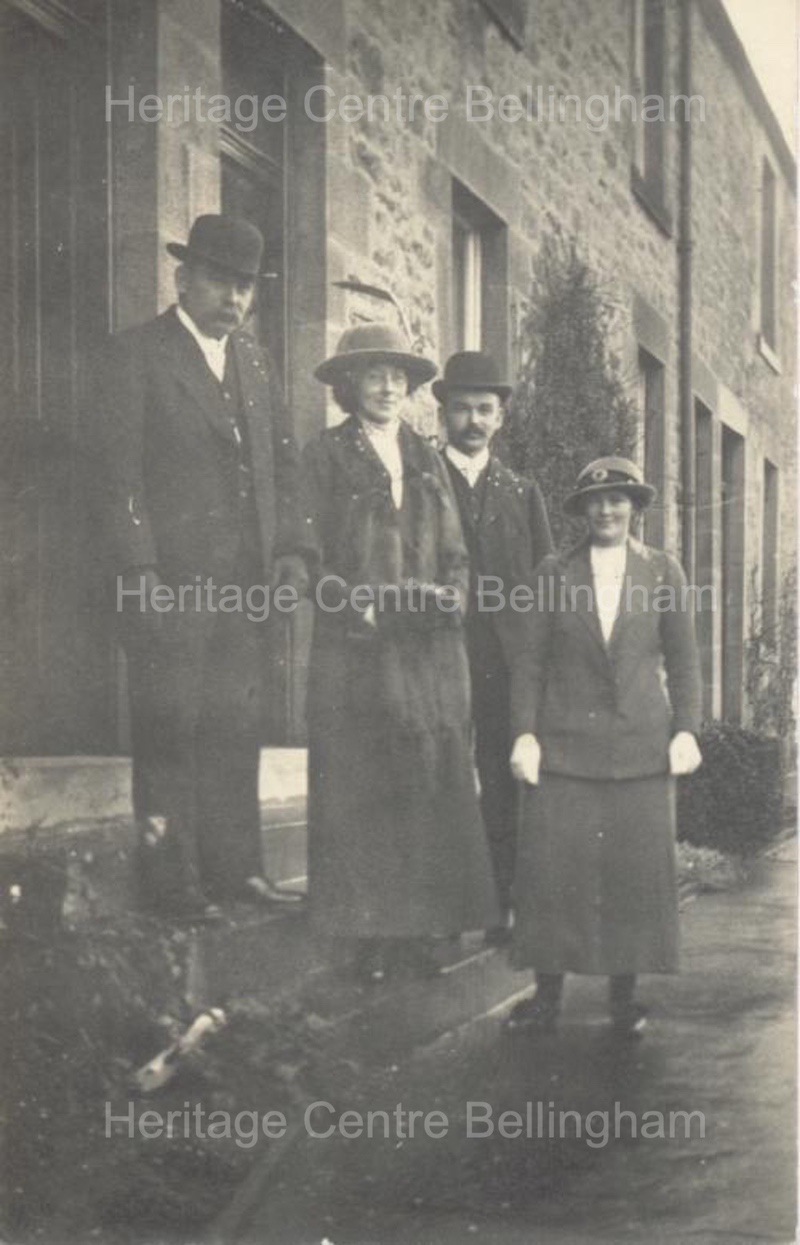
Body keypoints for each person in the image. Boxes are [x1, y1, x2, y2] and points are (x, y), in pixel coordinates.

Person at [89, 214, 309, 921]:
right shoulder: (138, 356)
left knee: (233, 728)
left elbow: (284, 465)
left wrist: (291, 553)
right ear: (183, 278)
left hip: (245, 588)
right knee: (171, 728)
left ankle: (236, 870)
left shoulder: (254, 362)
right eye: (221, 281)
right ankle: (173, 884)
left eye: (246, 286)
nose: (235, 299)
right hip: (172, 585)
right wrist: (141, 572)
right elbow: (116, 479)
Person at [302, 323, 500, 982]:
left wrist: (451, 598)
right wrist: (350, 603)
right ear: (348, 384)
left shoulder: (426, 456)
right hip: (359, 649)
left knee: (427, 785)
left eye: (397, 375)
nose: (387, 386)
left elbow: (456, 552)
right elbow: (309, 554)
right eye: (373, 374)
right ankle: (366, 938)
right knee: (364, 788)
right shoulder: (326, 455)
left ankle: (419, 933)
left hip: (430, 654)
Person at [507, 457, 702, 1037]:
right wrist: (524, 733)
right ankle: (546, 997)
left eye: (619, 499)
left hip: (641, 749)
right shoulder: (552, 572)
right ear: (582, 511)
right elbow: (529, 663)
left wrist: (686, 729)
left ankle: (624, 999)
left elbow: (686, 661)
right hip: (564, 751)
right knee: (552, 876)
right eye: (596, 501)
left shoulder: (663, 572)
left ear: (635, 508)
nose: (607, 510)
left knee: (633, 877)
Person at [436, 351, 553, 940]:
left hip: (504, 659)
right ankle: (445, 908)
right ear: (443, 415)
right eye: (462, 409)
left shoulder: (521, 491)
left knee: (502, 777)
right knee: (441, 773)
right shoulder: (422, 480)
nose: (473, 420)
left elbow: (544, 580)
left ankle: (503, 901)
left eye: (485, 409)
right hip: (438, 652)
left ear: (501, 417)